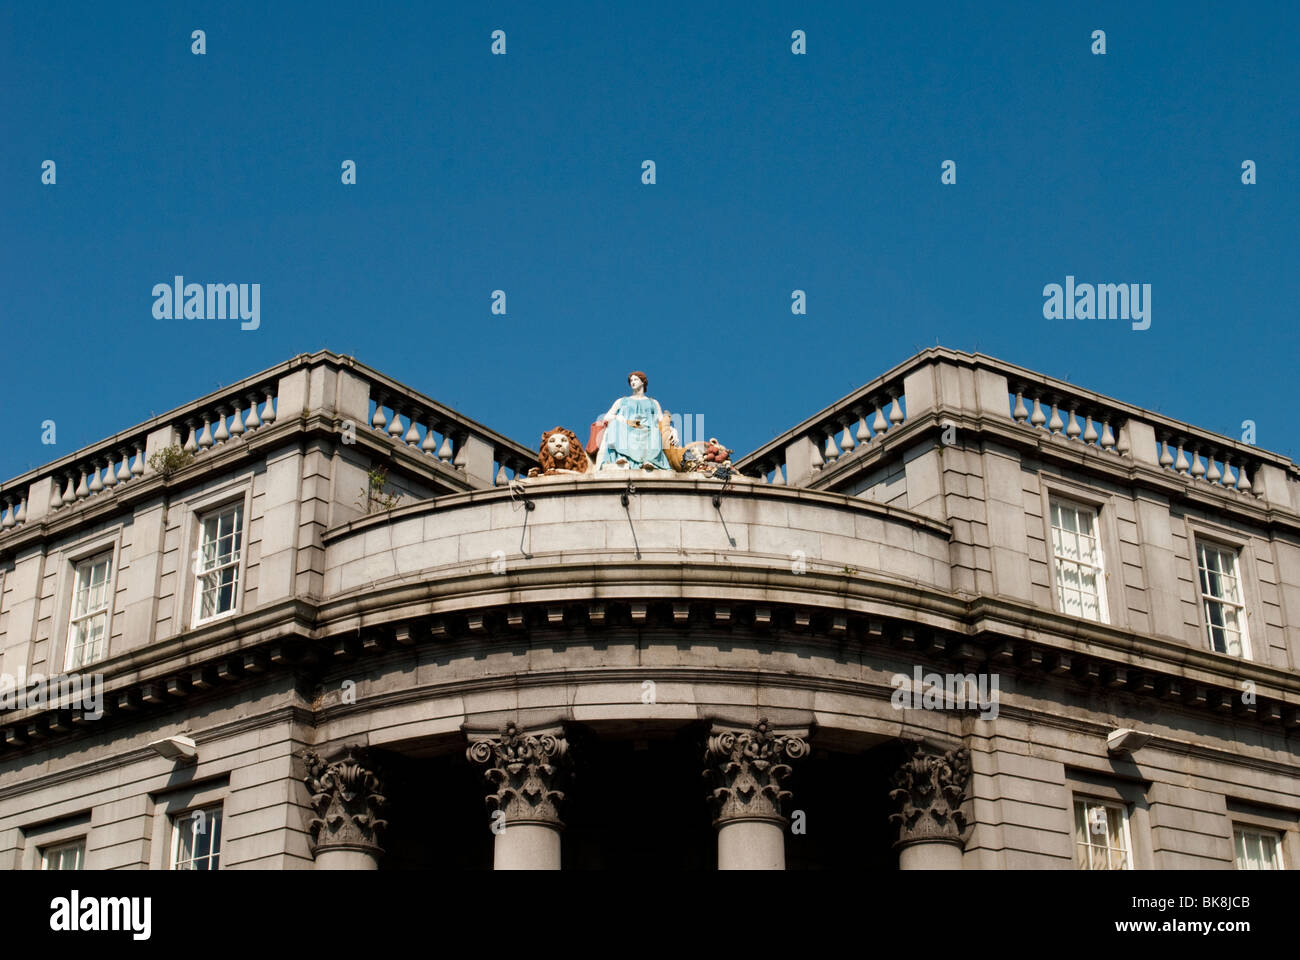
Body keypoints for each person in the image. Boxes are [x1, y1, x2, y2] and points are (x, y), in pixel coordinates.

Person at [595, 371, 671, 471]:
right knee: (615, 424)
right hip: (626, 427)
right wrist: (619, 418)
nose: (633, 382)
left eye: (636, 379)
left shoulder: (653, 402)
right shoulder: (622, 401)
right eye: (631, 380)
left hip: (646, 429)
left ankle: (650, 461)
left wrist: (672, 430)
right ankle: (622, 457)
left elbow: (661, 420)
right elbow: (607, 416)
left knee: (655, 431)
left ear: (643, 382)